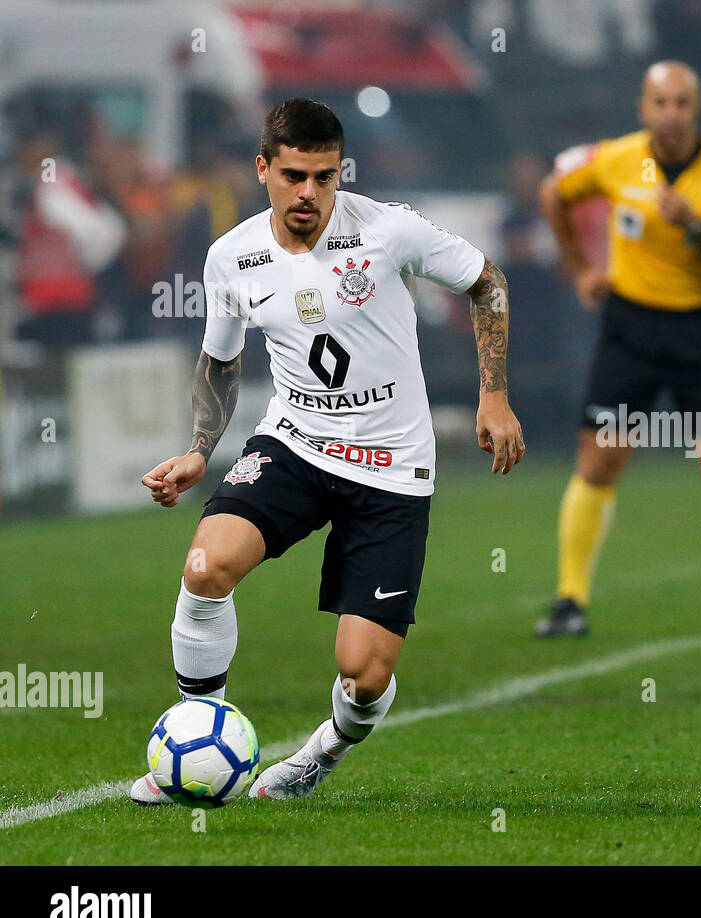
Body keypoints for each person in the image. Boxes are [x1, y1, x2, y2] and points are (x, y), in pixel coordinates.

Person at [131, 98, 523, 804]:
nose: (308, 193)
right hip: (297, 445)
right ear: (263, 170)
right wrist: (198, 449)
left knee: (363, 674)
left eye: (323, 176)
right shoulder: (233, 256)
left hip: (392, 467)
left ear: (340, 171)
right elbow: (221, 360)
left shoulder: (389, 229)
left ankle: (322, 753)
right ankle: (197, 736)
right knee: (206, 563)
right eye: (292, 176)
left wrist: (493, 395)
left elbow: (487, 281)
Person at [535, 60, 701, 638]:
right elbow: (553, 191)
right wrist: (579, 269)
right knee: (599, 459)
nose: (670, 114)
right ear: (643, 108)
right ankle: (571, 600)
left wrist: (697, 228)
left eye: (681, 103)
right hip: (632, 328)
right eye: (660, 102)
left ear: (699, 109)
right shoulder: (616, 158)